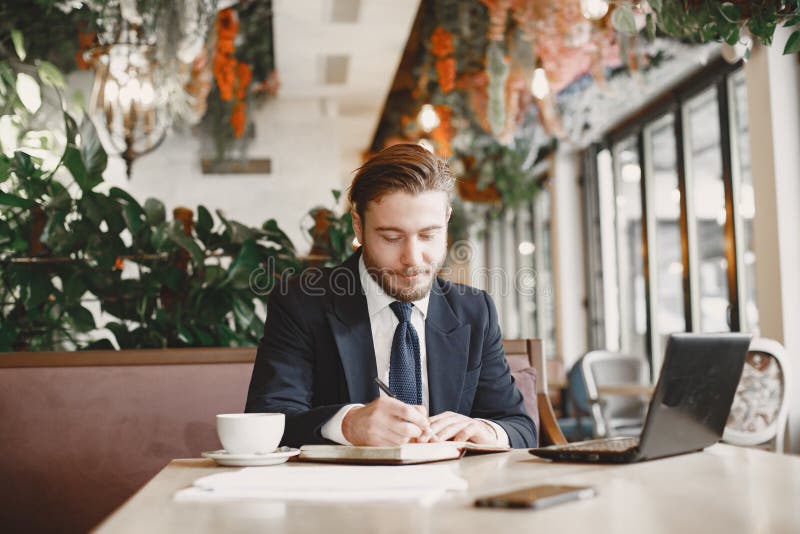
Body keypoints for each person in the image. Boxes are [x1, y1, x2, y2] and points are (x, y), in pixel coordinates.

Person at [246, 143, 536, 448]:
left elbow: (519, 427)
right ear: (358, 226)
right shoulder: (302, 303)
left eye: (428, 235)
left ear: (447, 221)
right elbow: (267, 418)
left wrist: (485, 431)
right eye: (392, 237)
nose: (412, 258)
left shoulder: (475, 311)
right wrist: (346, 425)